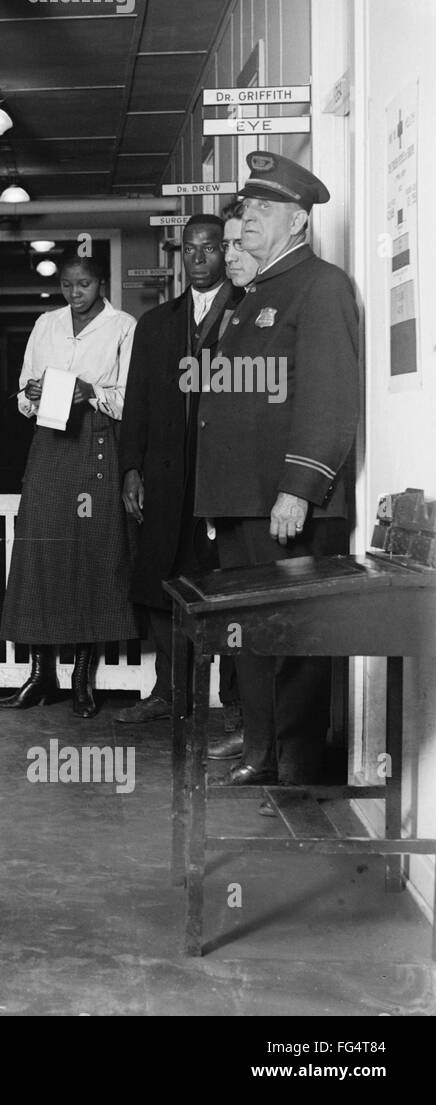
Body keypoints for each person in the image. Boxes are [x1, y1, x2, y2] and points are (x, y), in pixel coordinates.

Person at [196, 151, 360, 789]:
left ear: (299, 222)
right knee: (256, 640)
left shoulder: (321, 286)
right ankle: (261, 755)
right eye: (245, 208)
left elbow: (328, 395)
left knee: (295, 642)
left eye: (263, 208)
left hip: (283, 502)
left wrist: (299, 488)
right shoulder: (252, 295)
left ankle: (296, 770)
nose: (248, 218)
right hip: (243, 500)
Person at [0, 252, 138, 718]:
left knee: (89, 555)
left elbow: (130, 397)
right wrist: (32, 394)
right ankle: (39, 676)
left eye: (83, 285)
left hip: (94, 444)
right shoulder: (46, 324)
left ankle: (81, 678)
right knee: (39, 552)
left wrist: (90, 392)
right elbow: (20, 392)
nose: (74, 294)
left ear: (101, 284)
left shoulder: (122, 327)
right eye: (67, 285)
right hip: (49, 446)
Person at [118, 214, 242, 740]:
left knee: (229, 589)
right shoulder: (157, 323)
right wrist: (130, 469)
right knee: (162, 583)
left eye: (209, 248)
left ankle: (236, 704)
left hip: (224, 482)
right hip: (166, 481)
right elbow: (137, 403)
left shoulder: (250, 311)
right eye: (190, 249)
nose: (198, 257)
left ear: (224, 252)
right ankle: (170, 692)